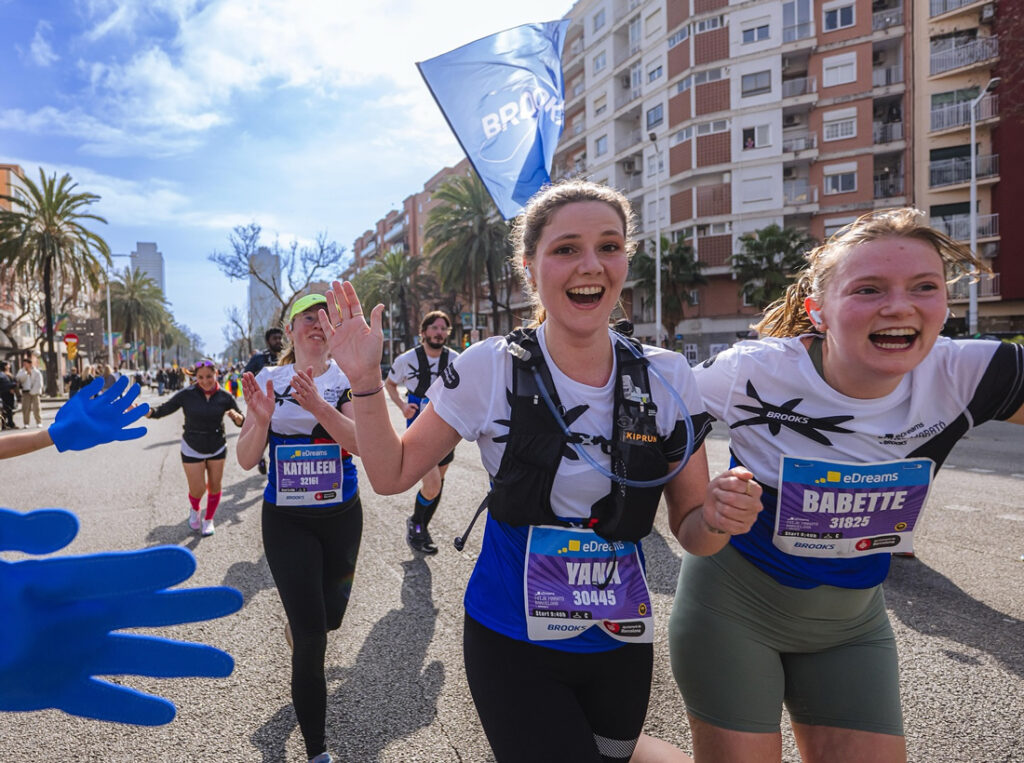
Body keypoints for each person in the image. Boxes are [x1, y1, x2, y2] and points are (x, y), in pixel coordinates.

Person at [324, 180, 761, 763]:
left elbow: (692, 534)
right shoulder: (489, 367)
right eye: (566, 248)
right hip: (511, 638)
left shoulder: (666, 375)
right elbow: (392, 472)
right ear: (529, 269)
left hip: (619, 643)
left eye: (609, 246)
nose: (591, 264)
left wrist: (720, 516)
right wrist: (363, 380)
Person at [668, 208, 1024, 763]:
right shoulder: (751, 372)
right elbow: (649, 434)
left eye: (924, 287)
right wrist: (711, 512)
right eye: (868, 289)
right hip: (732, 612)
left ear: (945, 304)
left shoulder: (966, 373)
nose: (899, 306)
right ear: (819, 311)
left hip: (852, 629)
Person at [237, 293, 363, 763]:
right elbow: (246, 458)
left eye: (324, 318)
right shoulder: (269, 380)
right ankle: (317, 750)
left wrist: (320, 407)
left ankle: (303, 624)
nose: (317, 324)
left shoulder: (348, 378)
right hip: (286, 520)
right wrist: (261, 421)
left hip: (341, 516)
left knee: (329, 620)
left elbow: (362, 444)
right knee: (313, 639)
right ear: (289, 330)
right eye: (307, 317)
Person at [385, 310, 460, 554]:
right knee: (432, 485)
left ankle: (420, 528)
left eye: (443, 329)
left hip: (447, 428)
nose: (439, 333)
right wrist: (402, 406)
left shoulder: (456, 359)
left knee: (438, 484)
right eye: (435, 328)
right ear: (424, 331)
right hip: (419, 429)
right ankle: (416, 525)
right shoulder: (407, 359)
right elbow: (390, 384)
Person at [145, 360, 245, 537]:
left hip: (217, 445)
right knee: (198, 489)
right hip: (192, 445)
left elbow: (241, 421)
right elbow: (162, 410)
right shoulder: (187, 395)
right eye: (201, 377)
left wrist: (238, 418)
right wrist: (147, 412)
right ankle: (195, 508)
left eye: (209, 376)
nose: (205, 381)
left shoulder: (225, 396)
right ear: (195, 377)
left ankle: (209, 519)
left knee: (215, 486)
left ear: (216, 374)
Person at [245, 327, 286, 474]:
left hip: (283, 403)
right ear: (268, 341)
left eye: (280, 338)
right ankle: (259, 456)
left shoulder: (288, 357)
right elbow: (246, 374)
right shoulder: (259, 358)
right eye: (275, 338)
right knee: (262, 432)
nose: (278, 341)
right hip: (262, 404)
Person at [15, 357, 43, 428]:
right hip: (25, 392)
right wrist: (26, 373)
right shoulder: (21, 371)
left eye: (26, 363)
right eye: (24, 363)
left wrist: (33, 391)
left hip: (35, 392)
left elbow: (39, 382)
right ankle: (26, 423)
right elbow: (18, 379)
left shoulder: (36, 371)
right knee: (25, 408)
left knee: (36, 408)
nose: (24, 365)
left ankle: (39, 422)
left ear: (30, 364)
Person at [0, 360, 17, 430]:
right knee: (6, 409)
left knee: (10, 409)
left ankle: (9, 423)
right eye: (8, 364)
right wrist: (12, 386)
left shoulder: (9, 374)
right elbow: (5, 384)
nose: (9, 366)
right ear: (5, 366)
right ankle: (7, 424)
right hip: (4, 394)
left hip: (10, 394)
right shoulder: (2, 375)